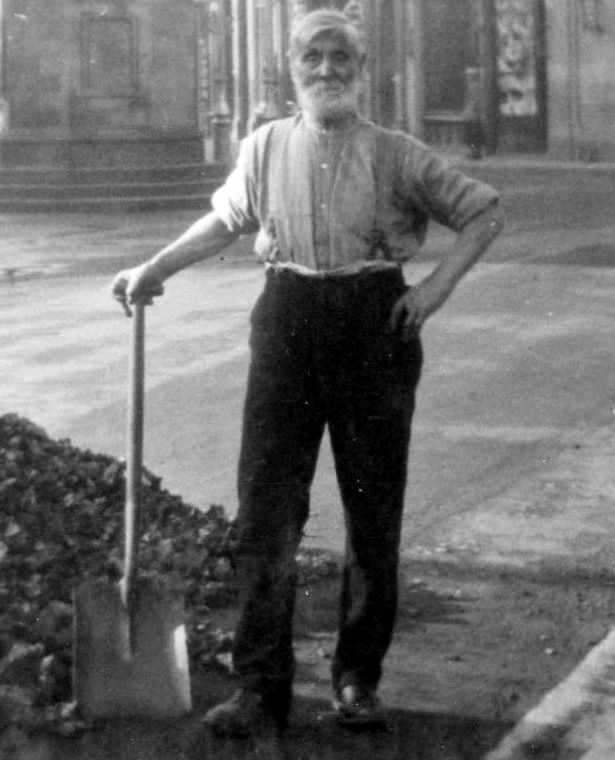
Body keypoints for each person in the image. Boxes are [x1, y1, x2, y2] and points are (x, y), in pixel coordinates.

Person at [109, 8, 505, 745]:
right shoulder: (264, 147)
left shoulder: (397, 154)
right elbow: (225, 221)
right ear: (293, 72)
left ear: (362, 70)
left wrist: (430, 292)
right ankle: (261, 687)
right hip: (287, 318)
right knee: (266, 512)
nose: (327, 71)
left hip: (373, 325)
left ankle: (357, 681)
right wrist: (153, 267)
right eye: (313, 59)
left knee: (372, 512)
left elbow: (483, 213)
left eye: (340, 59)